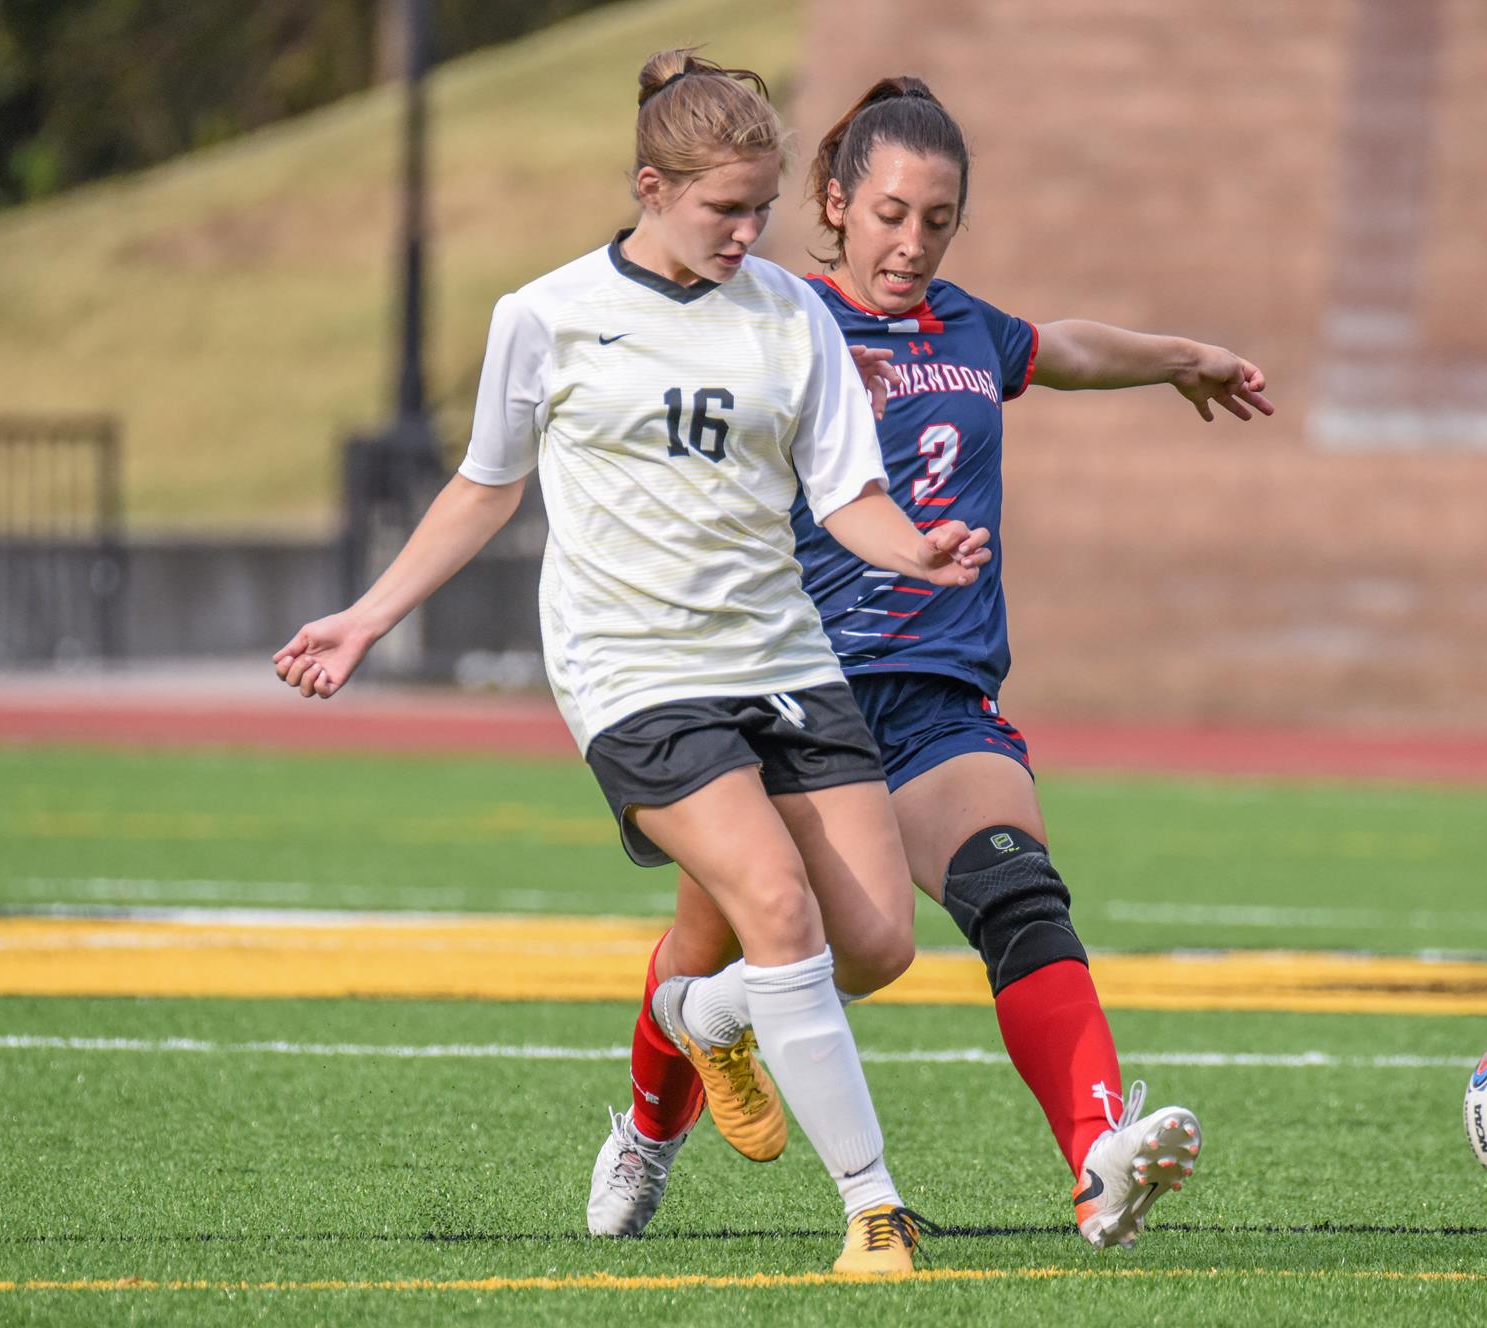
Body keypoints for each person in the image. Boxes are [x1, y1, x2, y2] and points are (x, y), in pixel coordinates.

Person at [271, 50, 995, 1277]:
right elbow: (480, 490)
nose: (747, 231)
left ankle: (693, 1012)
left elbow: (846, 494)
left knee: (874, 945)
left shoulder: (793, 311)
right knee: (773, 902)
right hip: (633, 671)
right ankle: (873, 1207)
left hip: (780, 654)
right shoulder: (544, 315)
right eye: (723, 208)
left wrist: (914, 550)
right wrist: (366, 615)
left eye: (762, 208)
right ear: (650, 186)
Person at [622, 76, 1273, 1251]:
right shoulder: (770, 318)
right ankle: (647, 1124)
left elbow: (1061, 348)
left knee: (1019, 894)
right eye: (887, 214)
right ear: (831, 203)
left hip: (935, 706)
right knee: (712, 951)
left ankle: (1097, 1151)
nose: (910, 243)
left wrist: (1179, 355)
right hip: (788, 699)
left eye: (936, 219)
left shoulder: (969, 328)